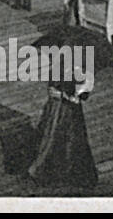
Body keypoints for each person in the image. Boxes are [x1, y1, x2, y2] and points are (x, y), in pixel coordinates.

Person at [27, 61, 98, 189]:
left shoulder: (82, 67)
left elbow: (81, 96)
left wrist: (61, 95)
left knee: (66, 139)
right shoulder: (60, 63)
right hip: (55, 109)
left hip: (68, 111)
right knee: (55, 137)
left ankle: (55, 170)